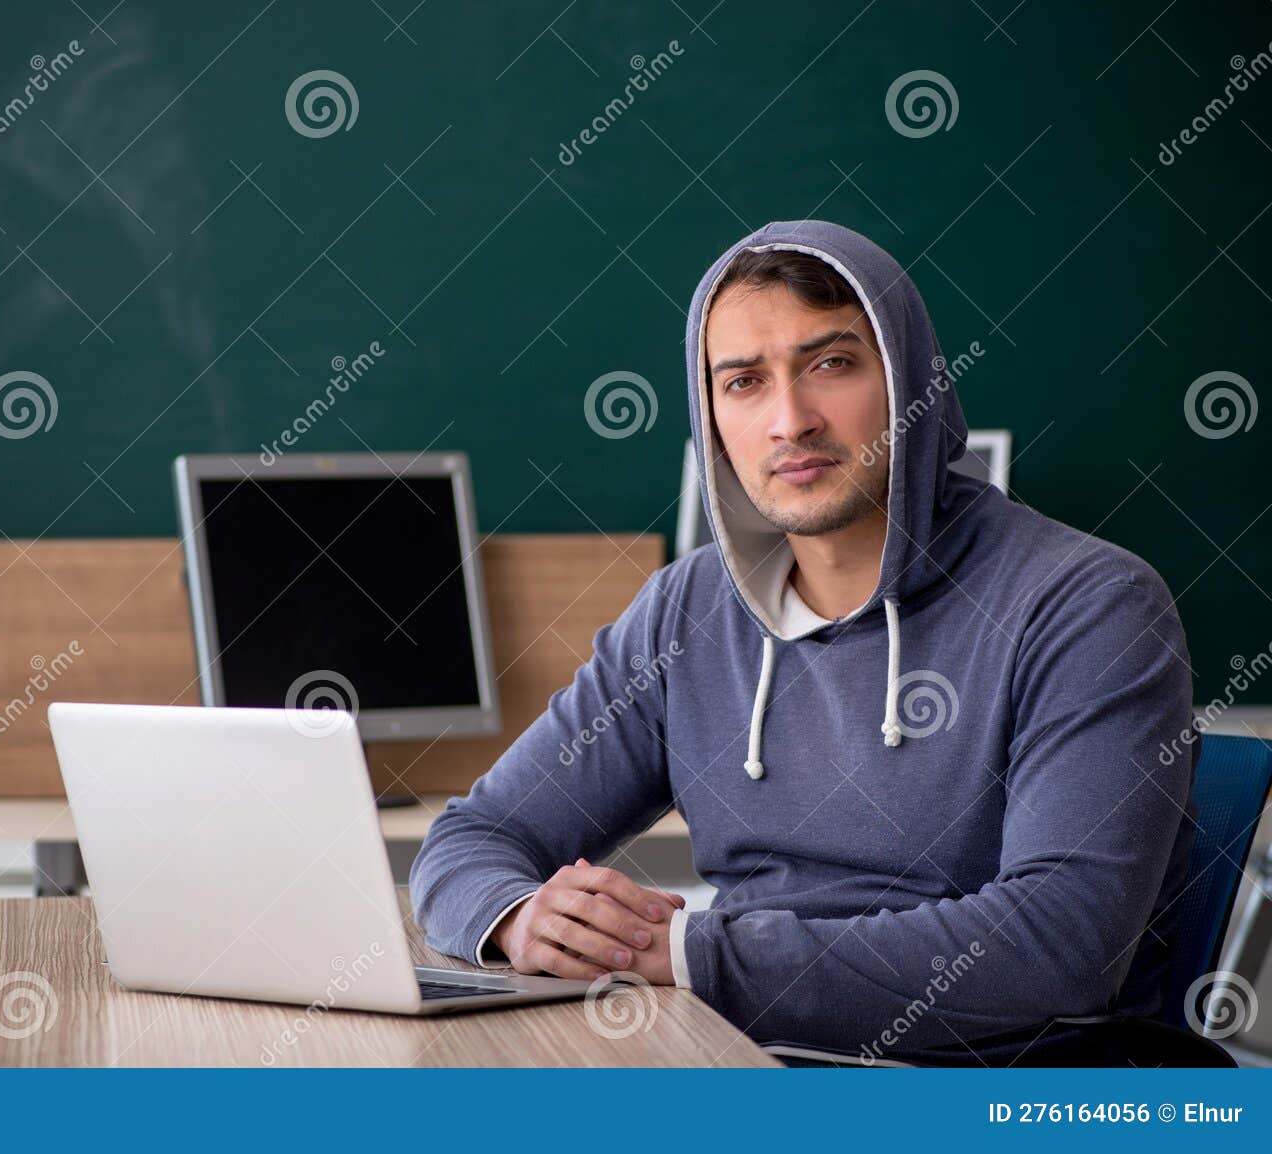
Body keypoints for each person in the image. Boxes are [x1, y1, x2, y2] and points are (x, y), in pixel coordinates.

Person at [409, 219, 1197, 1065]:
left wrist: (685, 953)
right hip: (738, 1058)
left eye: (832, 365)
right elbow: (473, 837)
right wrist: (523, 919)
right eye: (744, 382)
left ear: (909, 381)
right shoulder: (688, 611)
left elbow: (1058, 947)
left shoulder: (1089, 605)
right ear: (711, 418)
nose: (791, 420)